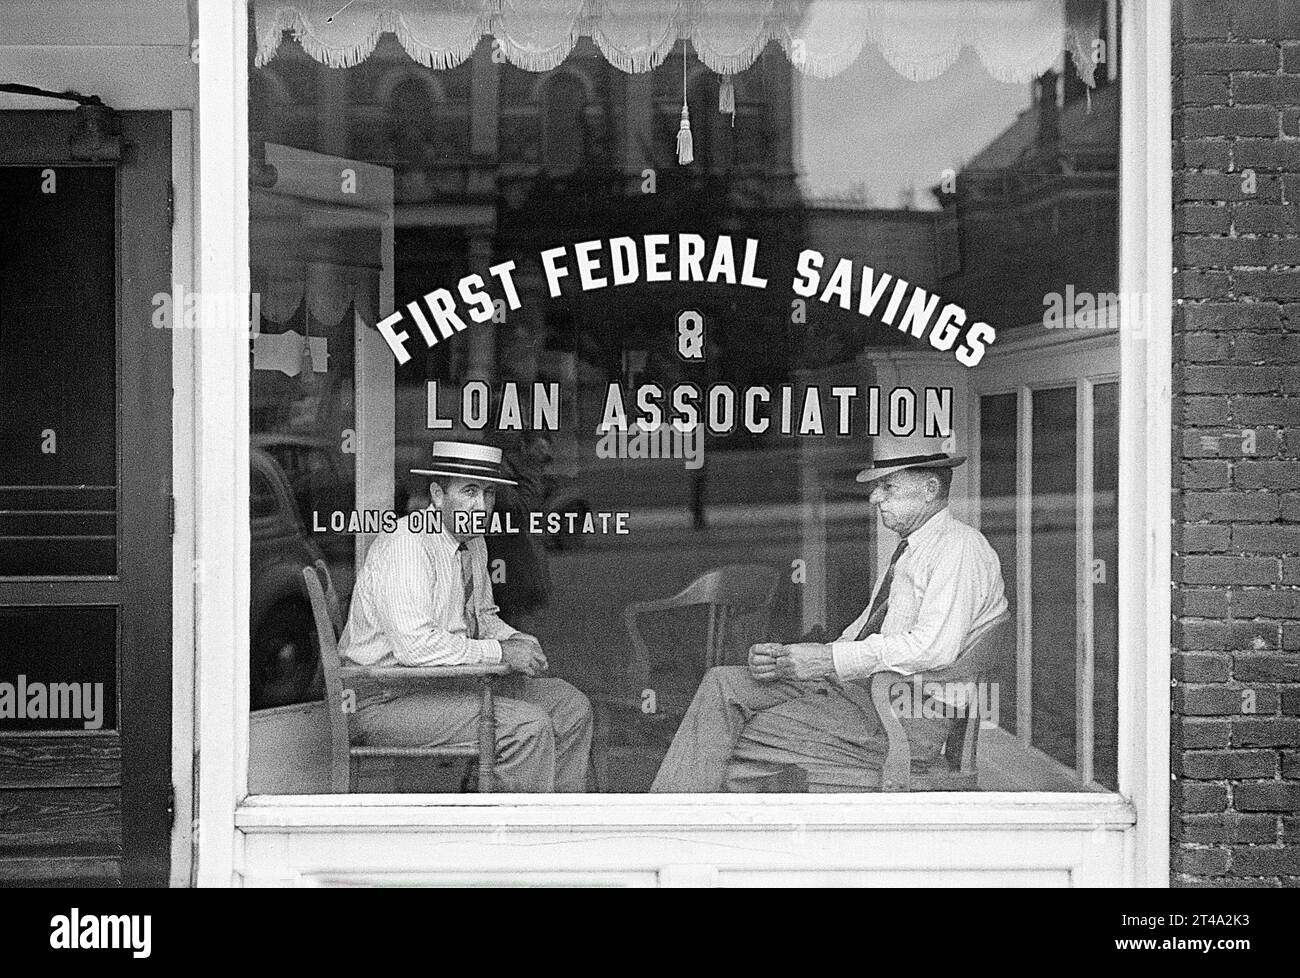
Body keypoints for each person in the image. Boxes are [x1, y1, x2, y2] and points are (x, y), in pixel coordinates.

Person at [650, 433, 1008, 792]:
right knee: (721, 684)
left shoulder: (959, 550)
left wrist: (826, 660)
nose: (874, 497)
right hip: (867, 695)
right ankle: (673, 818)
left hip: (904, 716)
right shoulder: (914, 547)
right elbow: (864, 629)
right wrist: (790, 658)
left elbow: (932, 649)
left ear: (930, 489)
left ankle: (672, 829)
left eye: (888, 486)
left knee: (725, 734)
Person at [339, 440, 592, 792]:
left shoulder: (472, 541)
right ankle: (505, 835)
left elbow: (482, 617)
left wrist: (514, 638)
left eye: (488, 493)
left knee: (569, 706)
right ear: (438, 495)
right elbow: (415, 647)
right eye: (469, 491)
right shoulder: (408, 544)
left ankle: (554, 827)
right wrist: (501, 653)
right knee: (525, 726)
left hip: (442, 685)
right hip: (383, 700)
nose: (481, 505)